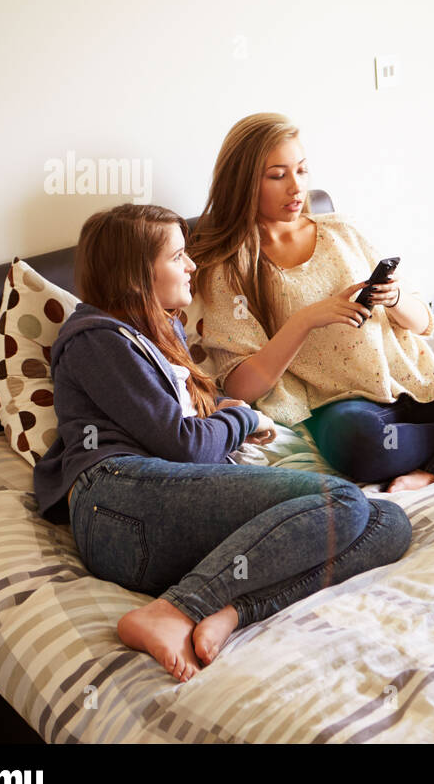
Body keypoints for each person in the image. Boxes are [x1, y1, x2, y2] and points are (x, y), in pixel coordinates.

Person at [33, 204, 411, 683]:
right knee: (341, 500)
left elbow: (189, 440)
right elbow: (186, 446)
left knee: (387, 521)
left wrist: (228, 414)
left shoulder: (160, 330)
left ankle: (232, 609)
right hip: (116, 504)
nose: (191, 265)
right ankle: (175, 611)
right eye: (177, 257)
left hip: (164, 520)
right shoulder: (97, 338)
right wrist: (241, 416)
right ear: (135, 274)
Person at [189, 113, 434, 493]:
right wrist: (305, 320)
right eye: (277, 175)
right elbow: (242, 385)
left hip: (414, 388)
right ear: (243, 182)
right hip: (349, 412)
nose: (296, 188)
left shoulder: (343, 231)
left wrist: (398, 299)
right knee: (356, 445)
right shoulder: (228, 268)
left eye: (302, 171)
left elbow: (422, 323)